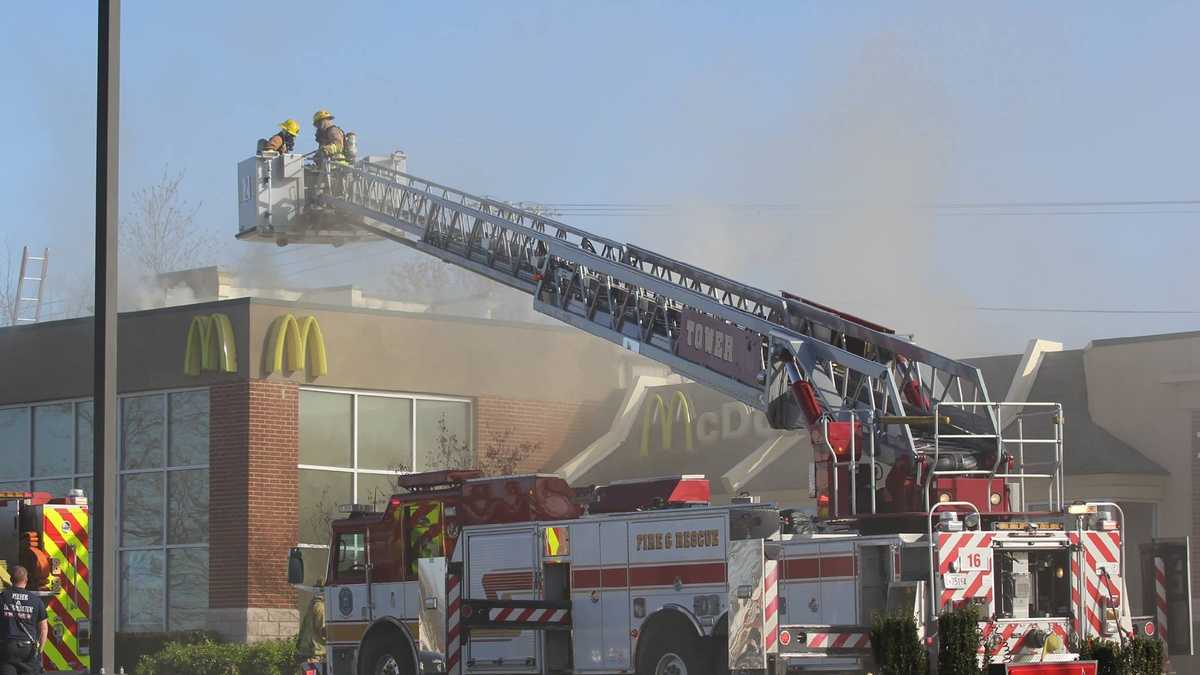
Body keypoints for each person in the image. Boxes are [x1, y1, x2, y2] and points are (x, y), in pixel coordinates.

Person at [0, 566, 47, 675]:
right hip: (28, 648)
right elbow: (44, 628)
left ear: (11, 580)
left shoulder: (2, 598)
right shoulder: (36, 601)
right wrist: (39, 651)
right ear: (26, 579)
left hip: (7, 648)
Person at [294, 581, 326, 675]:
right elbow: (323, 630)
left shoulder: (312, 606)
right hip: (316, 653)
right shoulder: (320, 607)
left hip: (307, 652)